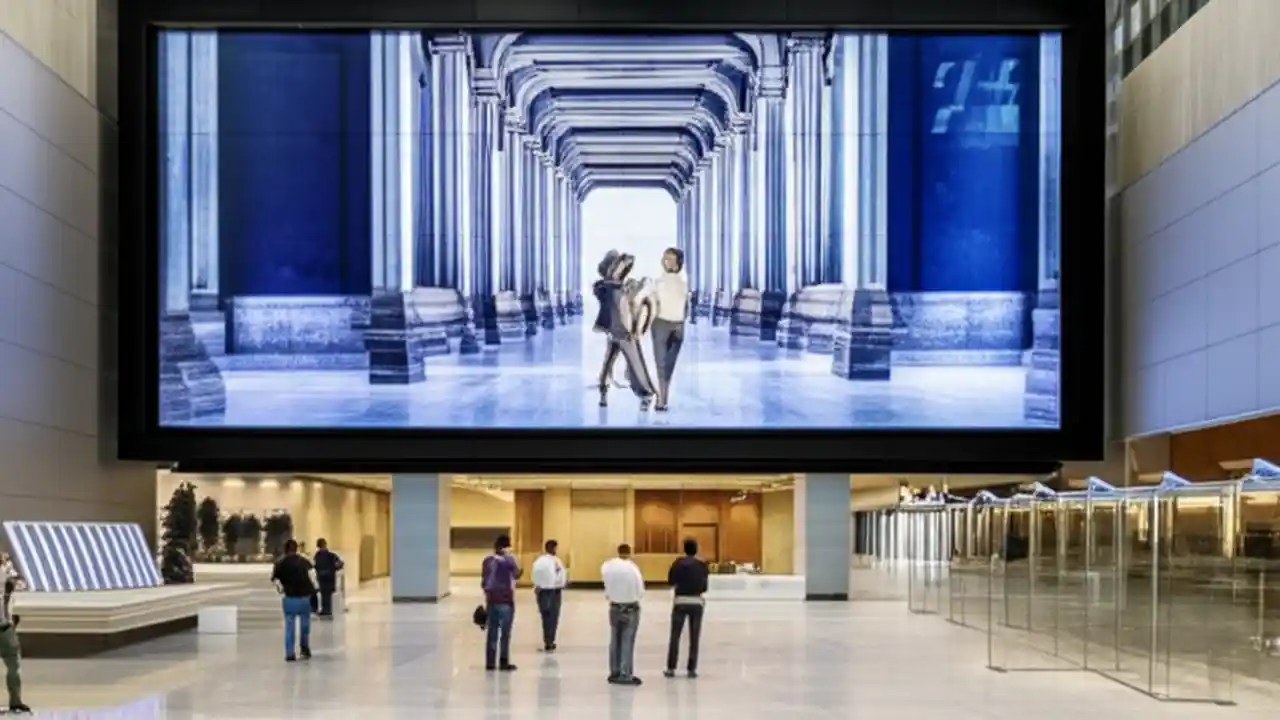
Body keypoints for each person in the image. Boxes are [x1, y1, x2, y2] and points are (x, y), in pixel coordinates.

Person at [593, 251, 658, 409]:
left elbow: (629, 260)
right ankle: (644, 394)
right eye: (616, 267)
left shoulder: (614, 287)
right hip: (619, 331)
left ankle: (607, 390)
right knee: (629, 363)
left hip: (620, 331)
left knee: (618, 362)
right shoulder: (607, 288)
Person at [664, 537, 709, 679]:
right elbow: (704, 587)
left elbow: (670, 582)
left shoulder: (678, 563)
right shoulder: (702, 565)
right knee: (694, 637)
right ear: (696, 550)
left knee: (675, 635)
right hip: (696, 602)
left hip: (680, 602)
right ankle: (691, 668)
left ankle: (671, 667)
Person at [601, 543, 645, 686]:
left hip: (614, 606)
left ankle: (614, 671)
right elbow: (640, 590)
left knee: (615, 639)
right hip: (630, 607)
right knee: (627, 640)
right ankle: (625, 674)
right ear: (629, 552)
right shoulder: (633, 568)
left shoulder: (608, 566)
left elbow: (605, 581)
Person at [650, 247, 688, 412]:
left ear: (679, 262)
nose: (668, 262)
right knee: (662, 364)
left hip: (677, 326)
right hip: (661, 324)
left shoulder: (683, 283)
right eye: (666, 259)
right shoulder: (658, 283)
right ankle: (662, 399)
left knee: (669, 365)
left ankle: (663, 397)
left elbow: (686, 307)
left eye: (672, 259)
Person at [270, 539, 315, 662]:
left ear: (285, 549)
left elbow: (275, 580)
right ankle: (304, 648)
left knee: (289, 626)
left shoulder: (279, 563)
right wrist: (314, 591)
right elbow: (313, 576)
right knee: (304, 626)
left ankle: (290, 653)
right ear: (296, 549)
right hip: (304, 598)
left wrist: (281, 590)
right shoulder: (304, 561)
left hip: (289, 598)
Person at [481, 534, 521, 671]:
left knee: (492, 633)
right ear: (506, 547)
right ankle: (503, 662)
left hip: (491, 601)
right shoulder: (508, 561)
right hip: (505, 601)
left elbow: (484, 581)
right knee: (505, 634)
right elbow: (517, 574)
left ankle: (490, 663)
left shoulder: (487, 561)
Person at [0, 555, 29, 714]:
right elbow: (21, 583)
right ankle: (15, 702)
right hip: (3, 627)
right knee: (13, 663)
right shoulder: (4, 572)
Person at [531, 539, 567, 652]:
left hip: (547, 590)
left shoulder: (541, 561)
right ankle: (549, 640)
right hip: (550, 591)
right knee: (551, 617)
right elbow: (558, 575)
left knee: (548, 617)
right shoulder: (551, 561)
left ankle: (549, 639)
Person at [312, 538, 344, 617]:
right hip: (329, 577)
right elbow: (340, 564)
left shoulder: (317, 556)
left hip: (322, 577)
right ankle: (326, 610)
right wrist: (334, 568)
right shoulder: (331, 555)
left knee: (324, 594)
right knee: (326, 594)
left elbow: (315, 566)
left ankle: (325, 610)